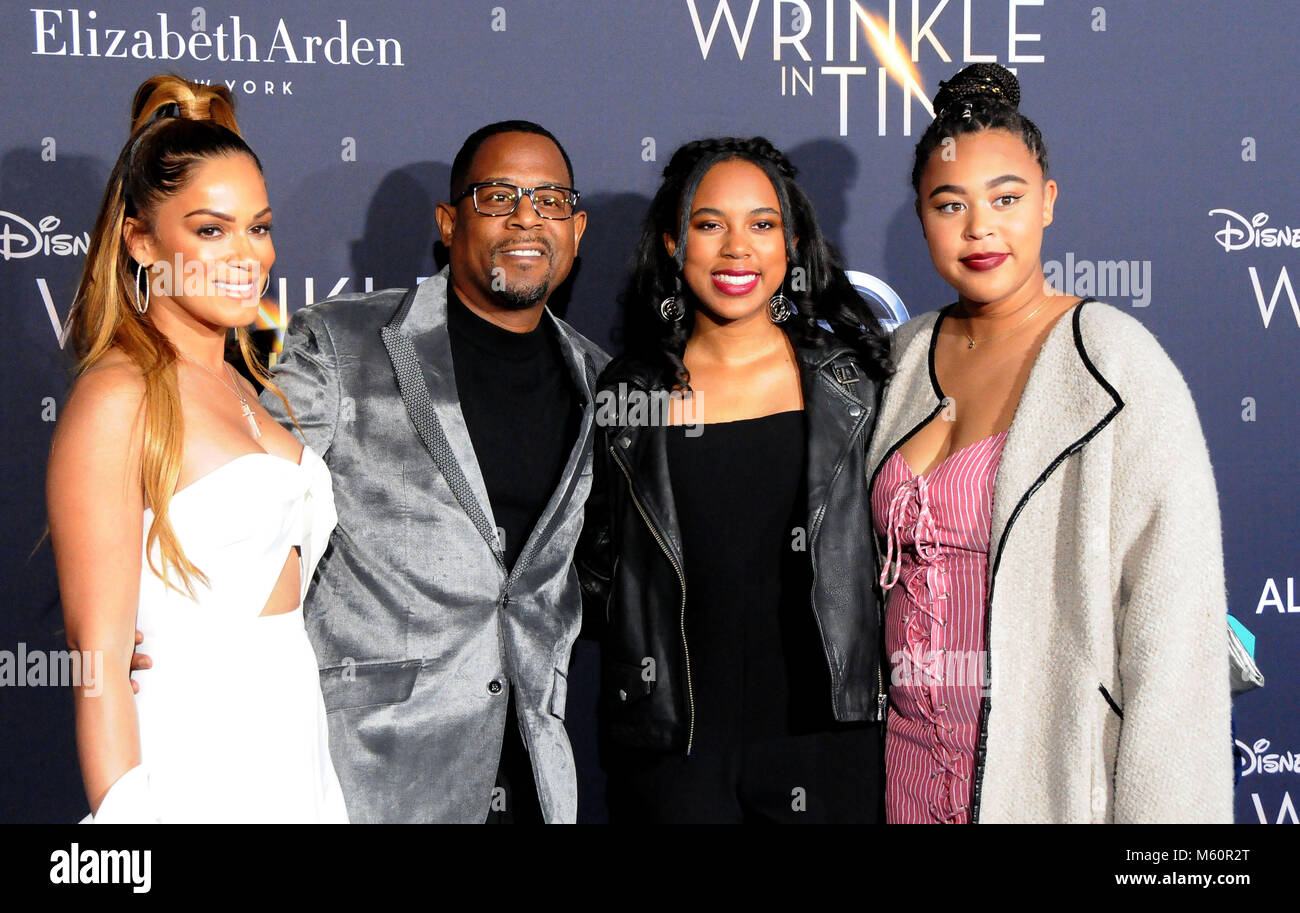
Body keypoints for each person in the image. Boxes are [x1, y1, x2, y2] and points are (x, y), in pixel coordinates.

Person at [865, 63, 1233, 823]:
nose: (980, 228)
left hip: (1048, 787)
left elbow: (1174, 641)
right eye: (950, 204)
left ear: (1048, 203)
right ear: (922, 216)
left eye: (1007, 198)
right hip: (904, 776)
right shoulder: (899, 357)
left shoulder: (1115, 363)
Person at [255, 121, 608, 823]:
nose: (526, 216)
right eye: (498, 195)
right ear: (449, 223)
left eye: (549, 199)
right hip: (375, 769)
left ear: (576, 226)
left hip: (535, 771)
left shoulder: (600, 379)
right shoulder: (340, 343)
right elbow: (249, 508)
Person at [46, 76, 347, 823]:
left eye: (259, 226)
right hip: (194, 762)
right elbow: (99, 667)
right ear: (141, 242)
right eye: (211, 230)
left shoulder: (251, 389)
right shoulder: (119, 397)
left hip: (295, 745)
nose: (248, 254)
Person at [578, 137, 892, 823]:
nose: (736, 248)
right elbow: (598, 566)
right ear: (670, 241)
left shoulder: (856, 384)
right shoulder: (629, 392)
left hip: (828, 741)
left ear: (794, 241)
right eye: (709, 223)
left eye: (762, 223)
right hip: (672, 752)